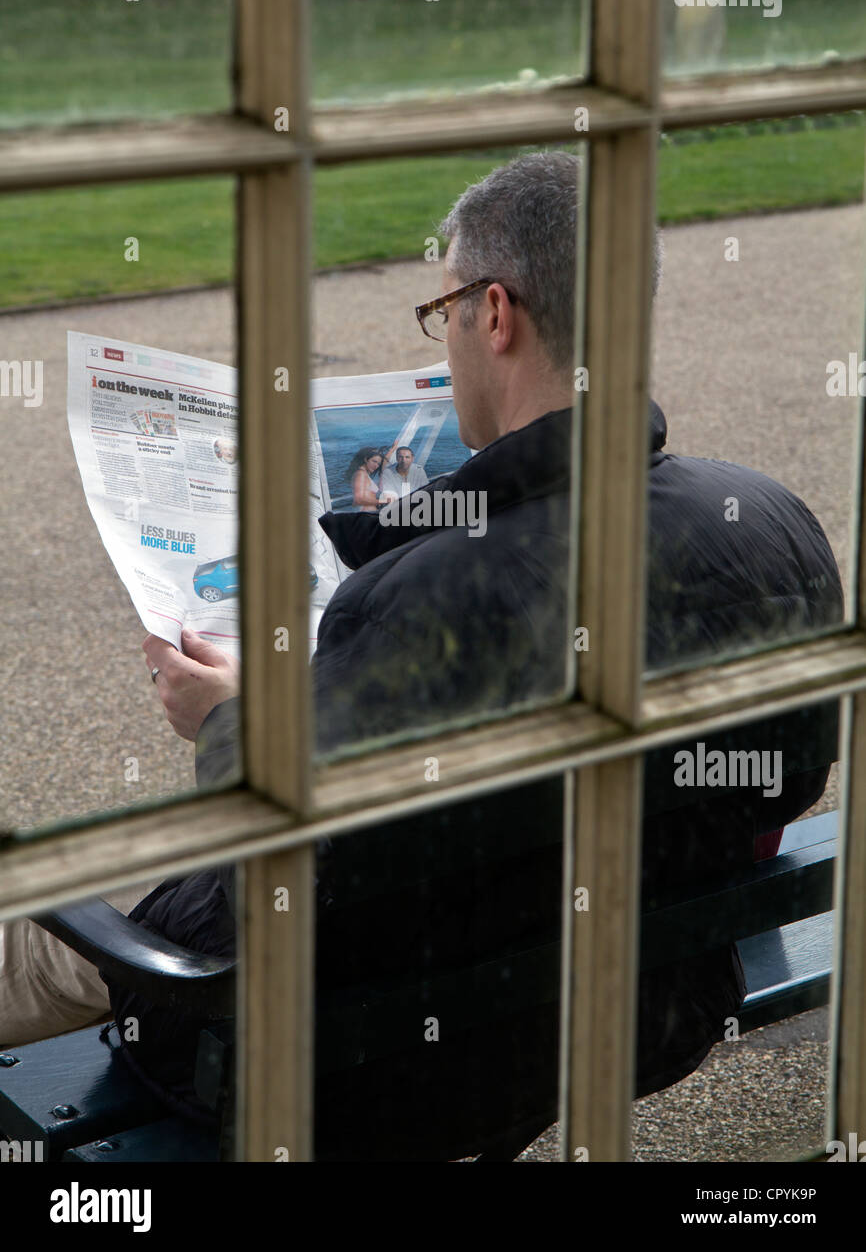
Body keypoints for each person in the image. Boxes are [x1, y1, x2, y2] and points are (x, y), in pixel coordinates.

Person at [0, 153, 843, 1142]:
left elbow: (278, 876)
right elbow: (779, 782)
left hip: (385, 1063)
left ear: (494, 314)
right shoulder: (772, 525)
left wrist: (228, 717)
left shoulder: (426, 596)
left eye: (440, 311)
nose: (445, 349)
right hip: (638, 1008)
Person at [345, 446, 385, 512]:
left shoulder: (364, 474)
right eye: (374, 461)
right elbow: (358, 500)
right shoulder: (361, 474)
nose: (376, 466)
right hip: (365, 515)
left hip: (368, 514)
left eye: (378, 464)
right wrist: (384, 501)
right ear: (366, 459)